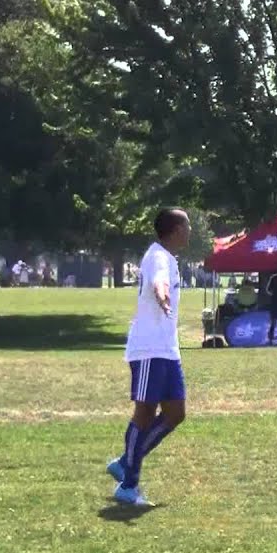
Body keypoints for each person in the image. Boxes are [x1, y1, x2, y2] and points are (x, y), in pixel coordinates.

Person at [104, 208, 191, 507]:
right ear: (176, 229)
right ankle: (129, 485)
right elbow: (159, 283)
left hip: (167, 350)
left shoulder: (168, 257)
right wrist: (162, 295)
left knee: (175, 413)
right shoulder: (157, 257)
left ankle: (125, 462)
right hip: (149, 350)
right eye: (187, 226)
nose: (190, 232)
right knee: (144, 414)